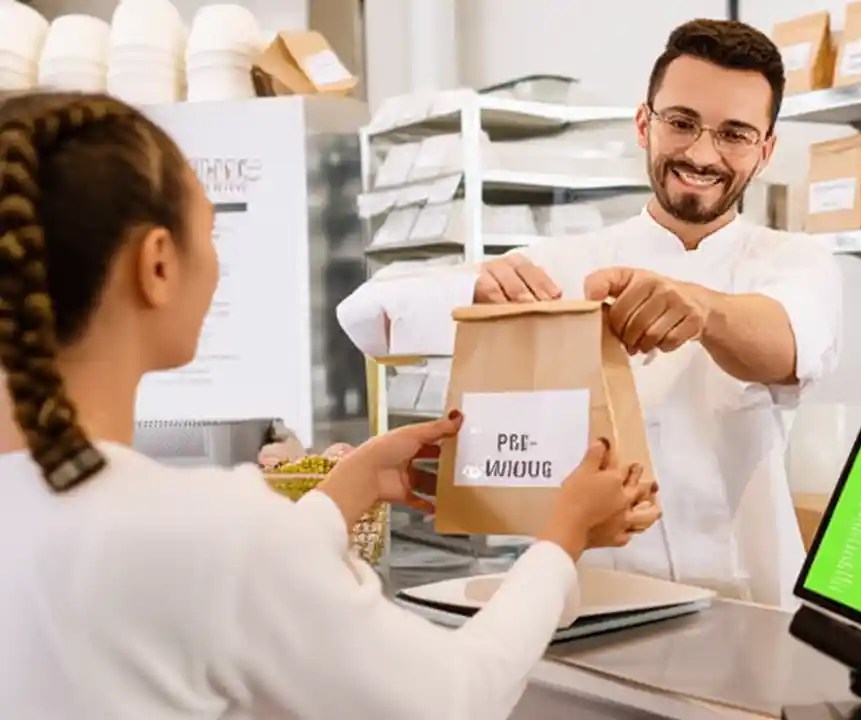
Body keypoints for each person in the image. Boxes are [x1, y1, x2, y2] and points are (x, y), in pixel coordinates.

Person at [0, 93, 660, 718]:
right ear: (158, 265)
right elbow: (454, 699)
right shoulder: (214, 528)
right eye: (212, 232)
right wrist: (562, 539)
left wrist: (344, 493)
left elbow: (229, 575)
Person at [337, 19, 843, 607]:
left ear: (765, 151)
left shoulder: (796, 260)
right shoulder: (571, 262)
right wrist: (477, 288)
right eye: (681, 123)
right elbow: (365, 318)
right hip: (598, 605)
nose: (703, 153)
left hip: (754, 607)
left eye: (734, 134)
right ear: (643, 125)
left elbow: (789, 342)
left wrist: (700, 309)